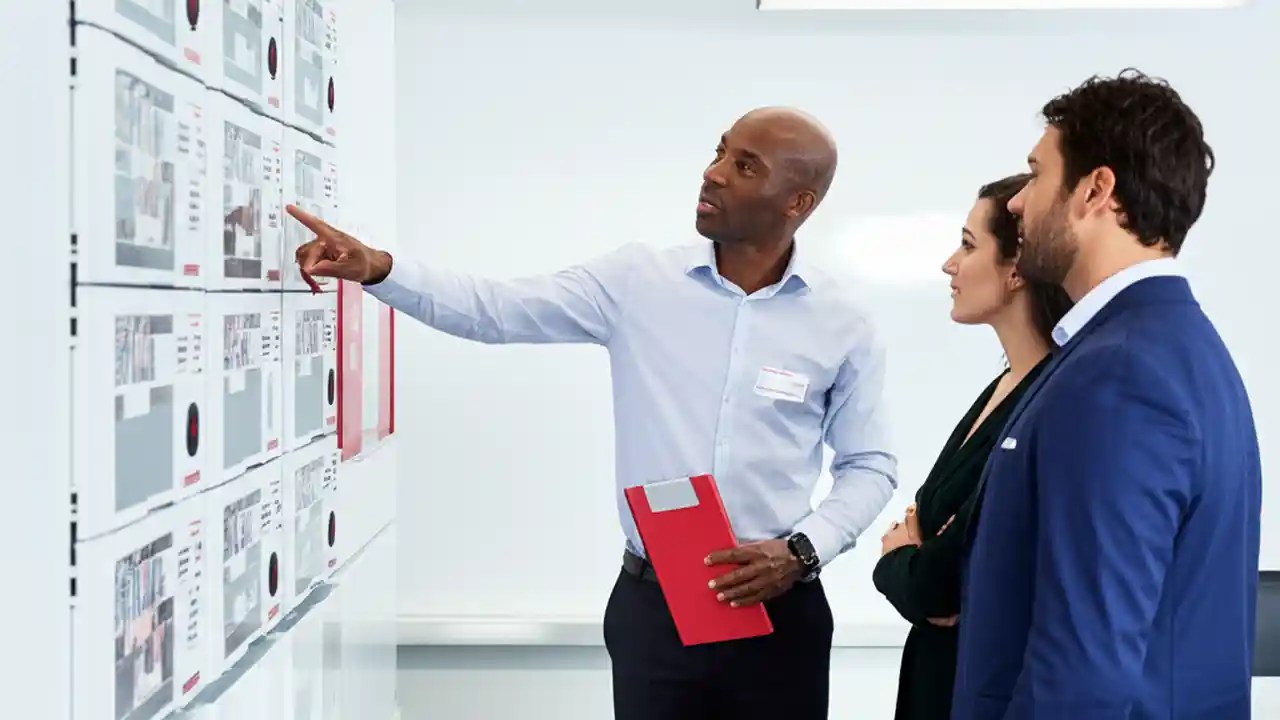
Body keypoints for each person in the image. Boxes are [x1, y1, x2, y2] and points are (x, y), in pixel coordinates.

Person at [285, 106, 898, 719]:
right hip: (654, 610)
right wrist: (380, 269)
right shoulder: (639, 282)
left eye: (744, 166)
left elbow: (870, 465)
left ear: (797, 202)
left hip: (780, 613)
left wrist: (800, 551)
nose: (712, 174)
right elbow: (496, 309)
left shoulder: (842, 320)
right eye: (718, 152)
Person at [952, 69, 1262, 720]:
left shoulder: (1118, 375)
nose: (1016, 203)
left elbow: (1081, 669)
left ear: (1096, 190)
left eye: (1035, 175)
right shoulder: (1175, 346)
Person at [871, 173, 1073, 720]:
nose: (949, 264)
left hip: (982, 685)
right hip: (938, 676)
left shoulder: (1052, 396)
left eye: (967, 245)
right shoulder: (1007, 381)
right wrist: (918, 556)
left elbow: (941, 584)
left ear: (1015, 271)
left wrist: (900, 559)